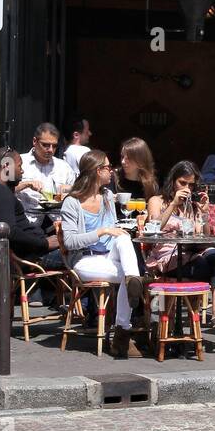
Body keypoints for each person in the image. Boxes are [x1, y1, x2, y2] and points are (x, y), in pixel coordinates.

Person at [146, 161, 215, 351]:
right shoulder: (157, 201)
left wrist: (205, 214)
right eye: (182, 183)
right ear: (172, 181)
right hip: (168, 260)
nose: (186, 188)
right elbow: (153, 229)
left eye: (191, 185)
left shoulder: (191, 206)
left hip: (192, 256)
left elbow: (204, 236)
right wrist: (174, 203)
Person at [58, 150, 145, 358]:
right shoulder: (72, 202)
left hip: (108, 255)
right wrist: (101, 231)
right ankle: (122, 335)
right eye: (108, 168)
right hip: (84, 259)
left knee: (124, 238)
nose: (112, 171)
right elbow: (69, 241)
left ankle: (134, 279)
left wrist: (130, 225)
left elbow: (115, 228)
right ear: (98, 171)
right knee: (128, 275)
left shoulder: (106, 196)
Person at [0, 147, 64, 270]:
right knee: (85, 252)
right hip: (33, 258)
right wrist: (45, 243)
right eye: (19, 166)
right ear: (7, 165)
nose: (22, 171)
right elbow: (10, 231)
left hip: (33, 252)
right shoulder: (0, 192)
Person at [18, 122, 77, 225]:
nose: (50, 150)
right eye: (45, 145)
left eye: (54, 146)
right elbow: (3, 189)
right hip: (27, 223)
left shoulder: (64, 167)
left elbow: (78, 194)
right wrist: (26, 184)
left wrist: (69, 190)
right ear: (34, 141)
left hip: (57, 224)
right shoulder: (18, 162)